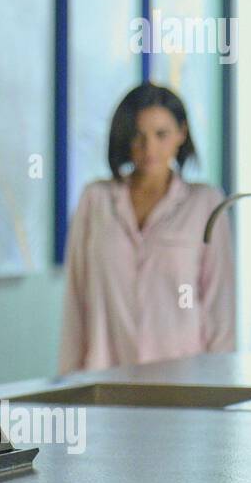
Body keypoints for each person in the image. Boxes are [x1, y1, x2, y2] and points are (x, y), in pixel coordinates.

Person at [58, 83, 235, 374]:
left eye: (161, 134)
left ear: (181, 133)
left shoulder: (205, 203)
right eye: (137, 135)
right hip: (104, 378)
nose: (148, 147)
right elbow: (76, 300)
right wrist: (67, 382)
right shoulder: (96, 200)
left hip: (184, 381)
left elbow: (220, 305)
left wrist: (220, 388)